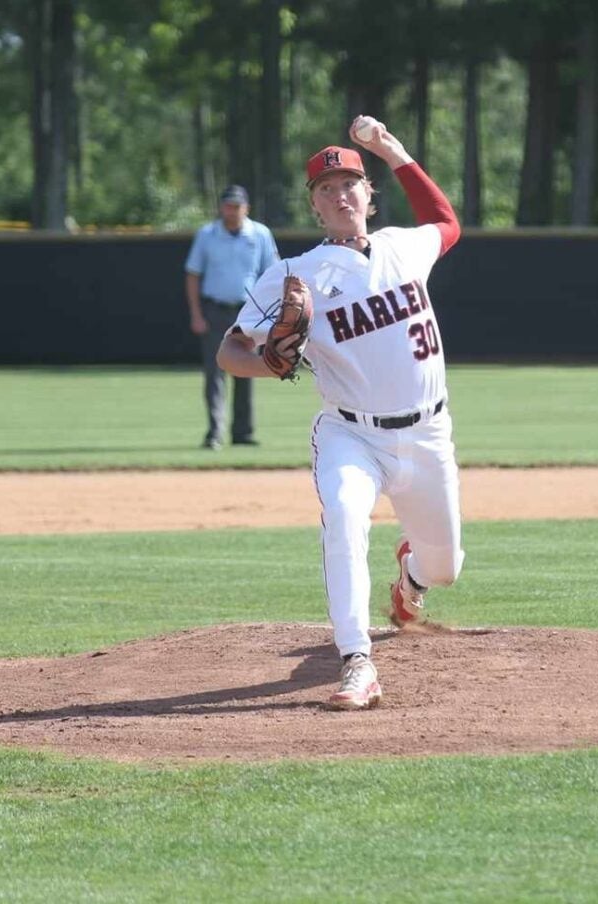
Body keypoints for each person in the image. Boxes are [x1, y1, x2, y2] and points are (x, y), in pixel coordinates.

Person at [216, 118, 463, 711]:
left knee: (447, 565)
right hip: (351, 434)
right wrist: (271, 364)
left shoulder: (405, 247)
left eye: (351, 182)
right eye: (326, 189)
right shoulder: (295, 275)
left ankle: (414, 579)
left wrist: (392, 150)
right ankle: (357, 661)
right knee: (345, 520)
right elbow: (231, 351)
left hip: (429, 433)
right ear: (316, 207)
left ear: (369, 197)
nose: (341, 193)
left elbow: (448, 223)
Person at [184, 184, 280, 450]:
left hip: (248, 313)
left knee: (246, 370)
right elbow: (193, 274)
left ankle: (243, 432)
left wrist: (269, 316)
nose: (232, 211)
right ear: (221, 207)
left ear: (246, 208)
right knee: (214, 372)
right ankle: (215, 432)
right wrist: (196, 314)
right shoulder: (207, 234)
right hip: (214, 310)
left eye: (237, 206)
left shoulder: (259, 234)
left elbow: (271, 276)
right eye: (228, 205)